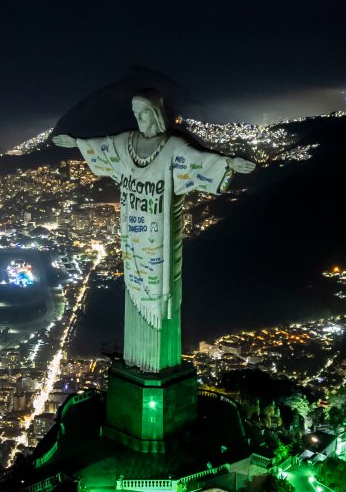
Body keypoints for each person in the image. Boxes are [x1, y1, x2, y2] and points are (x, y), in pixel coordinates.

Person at [53, 90, 254, 373]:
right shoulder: (128, 143)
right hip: (133, 232)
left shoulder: (172, 146)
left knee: (162, 289)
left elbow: (198, 160)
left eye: (145, 112)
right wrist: (76, 143)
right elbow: (104, 146)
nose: (140, 118)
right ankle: (140, 360)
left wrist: (230, 164)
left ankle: (156, 363)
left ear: (157, 114)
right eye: (137, 113)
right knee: (134, 285)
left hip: (160, 234)